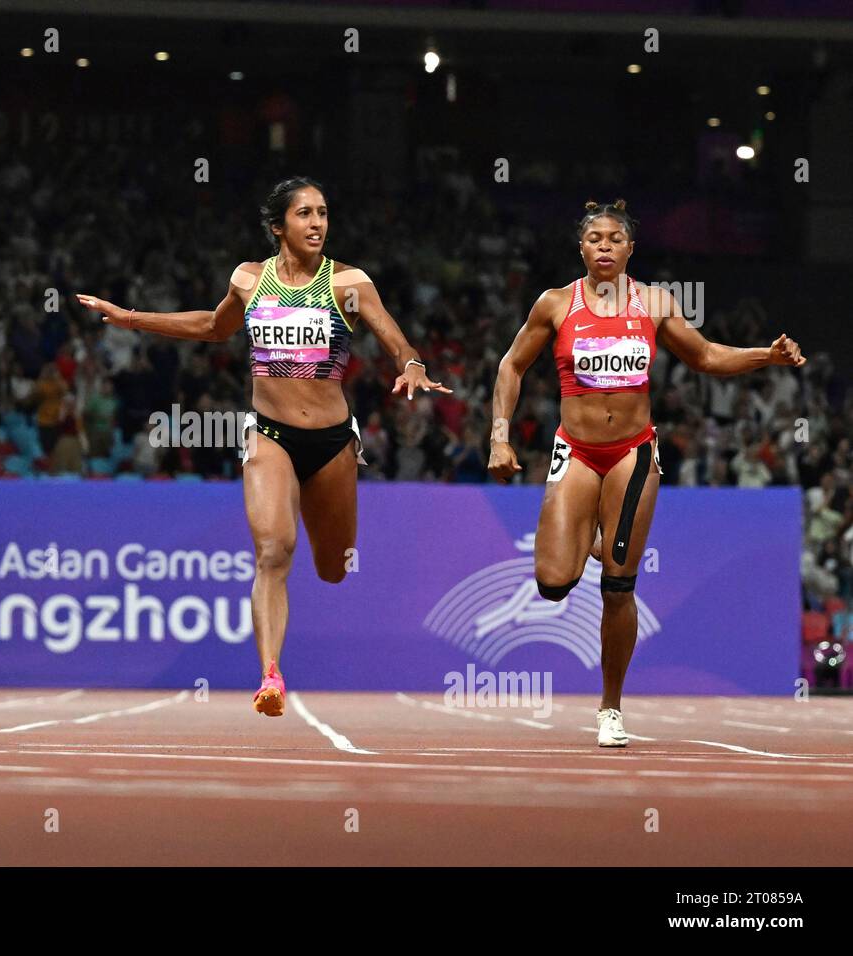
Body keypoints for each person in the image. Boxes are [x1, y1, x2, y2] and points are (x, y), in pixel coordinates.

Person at [78, 176, 448, 716]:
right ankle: (271, 674)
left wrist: (411, 363)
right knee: (273, 552)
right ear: (279, 226)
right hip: (269, 434)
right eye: (305, 214)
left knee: (333, 566)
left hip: (332, 442)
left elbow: (395, 338)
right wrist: (131, 318)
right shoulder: (249, 280)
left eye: (323, 212)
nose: (318, 223)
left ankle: (315, 588)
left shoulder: (349, 283)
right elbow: (211, 325)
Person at [488, 199, 804, 745]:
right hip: (578, 451)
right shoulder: (556, 305)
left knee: (618, 584)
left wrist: (765, 357)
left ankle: (610, 707)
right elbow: (511, 364)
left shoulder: (655, 303)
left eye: (615, 238)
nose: (605, 246)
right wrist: (499, 434)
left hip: (633, 452)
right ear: (581, 248)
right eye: (595, 239)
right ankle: (591, 533)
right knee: (552, 583)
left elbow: (704, 356)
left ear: (631, 248)